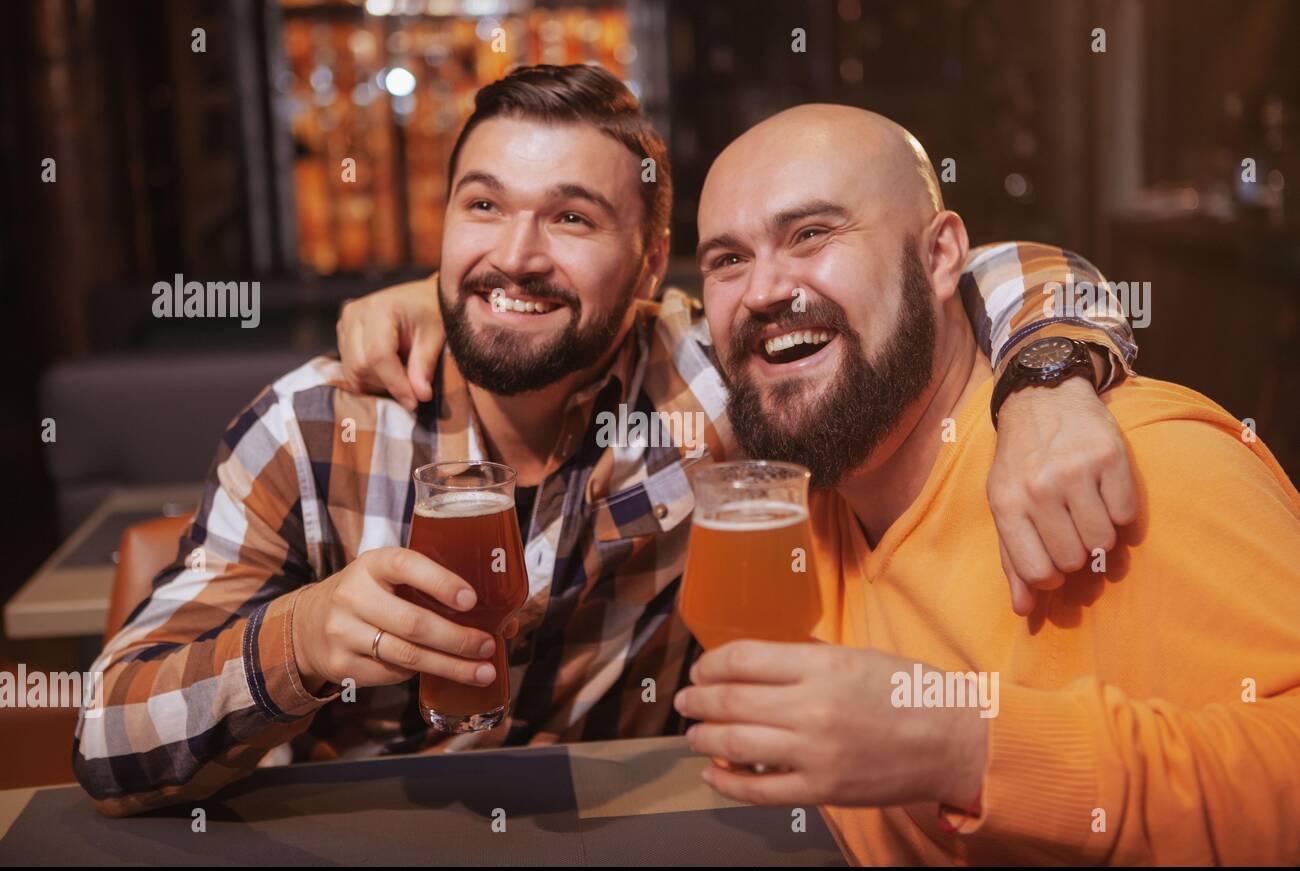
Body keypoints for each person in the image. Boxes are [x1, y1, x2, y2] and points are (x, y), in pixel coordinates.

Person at [74, 65, 1136, 817]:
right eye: (482, 207)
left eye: (572, 219)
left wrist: (1042, 384)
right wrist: (296, 639)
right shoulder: (313, 427)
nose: (515, 255)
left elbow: (963, 272)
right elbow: (106, 741)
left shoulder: (717, 374)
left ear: (647, 267)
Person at [669, 104, 1300, 865]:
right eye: (728, 259)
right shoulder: (782, 508)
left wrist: (962, 746)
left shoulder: (1137, 460)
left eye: (811, 234)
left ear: (941, 257)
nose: (765, 289)